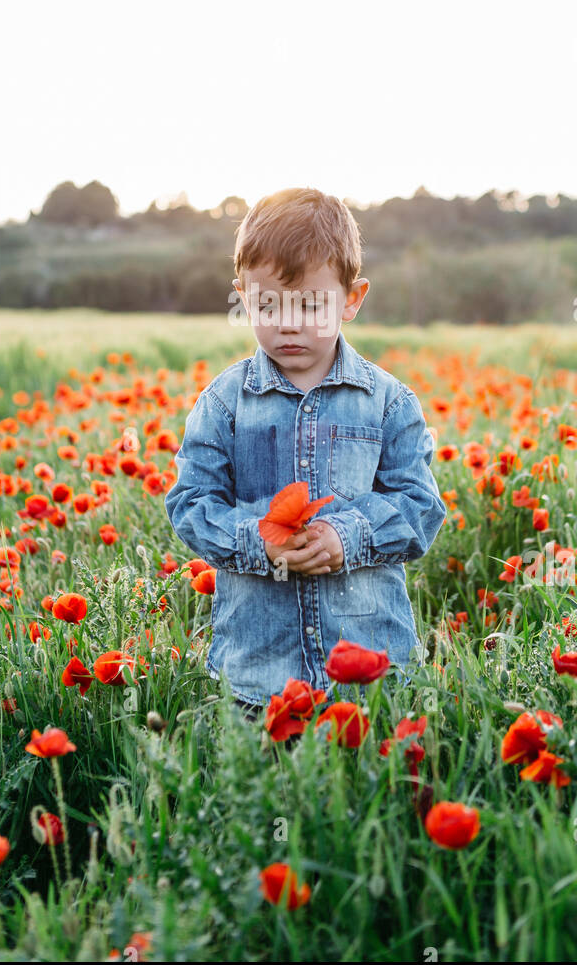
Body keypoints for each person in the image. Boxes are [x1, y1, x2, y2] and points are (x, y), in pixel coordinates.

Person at [164, 186, 447, 710]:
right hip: (256, 675)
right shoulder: (224, 404)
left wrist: (348, 537)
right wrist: (259, 541)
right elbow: (190, 504)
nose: (289, 322)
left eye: (312, 304)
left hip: (369, 674)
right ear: (242, 295)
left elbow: (422, 508)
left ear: (354, 298)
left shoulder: (388, 403)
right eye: (268, 303)